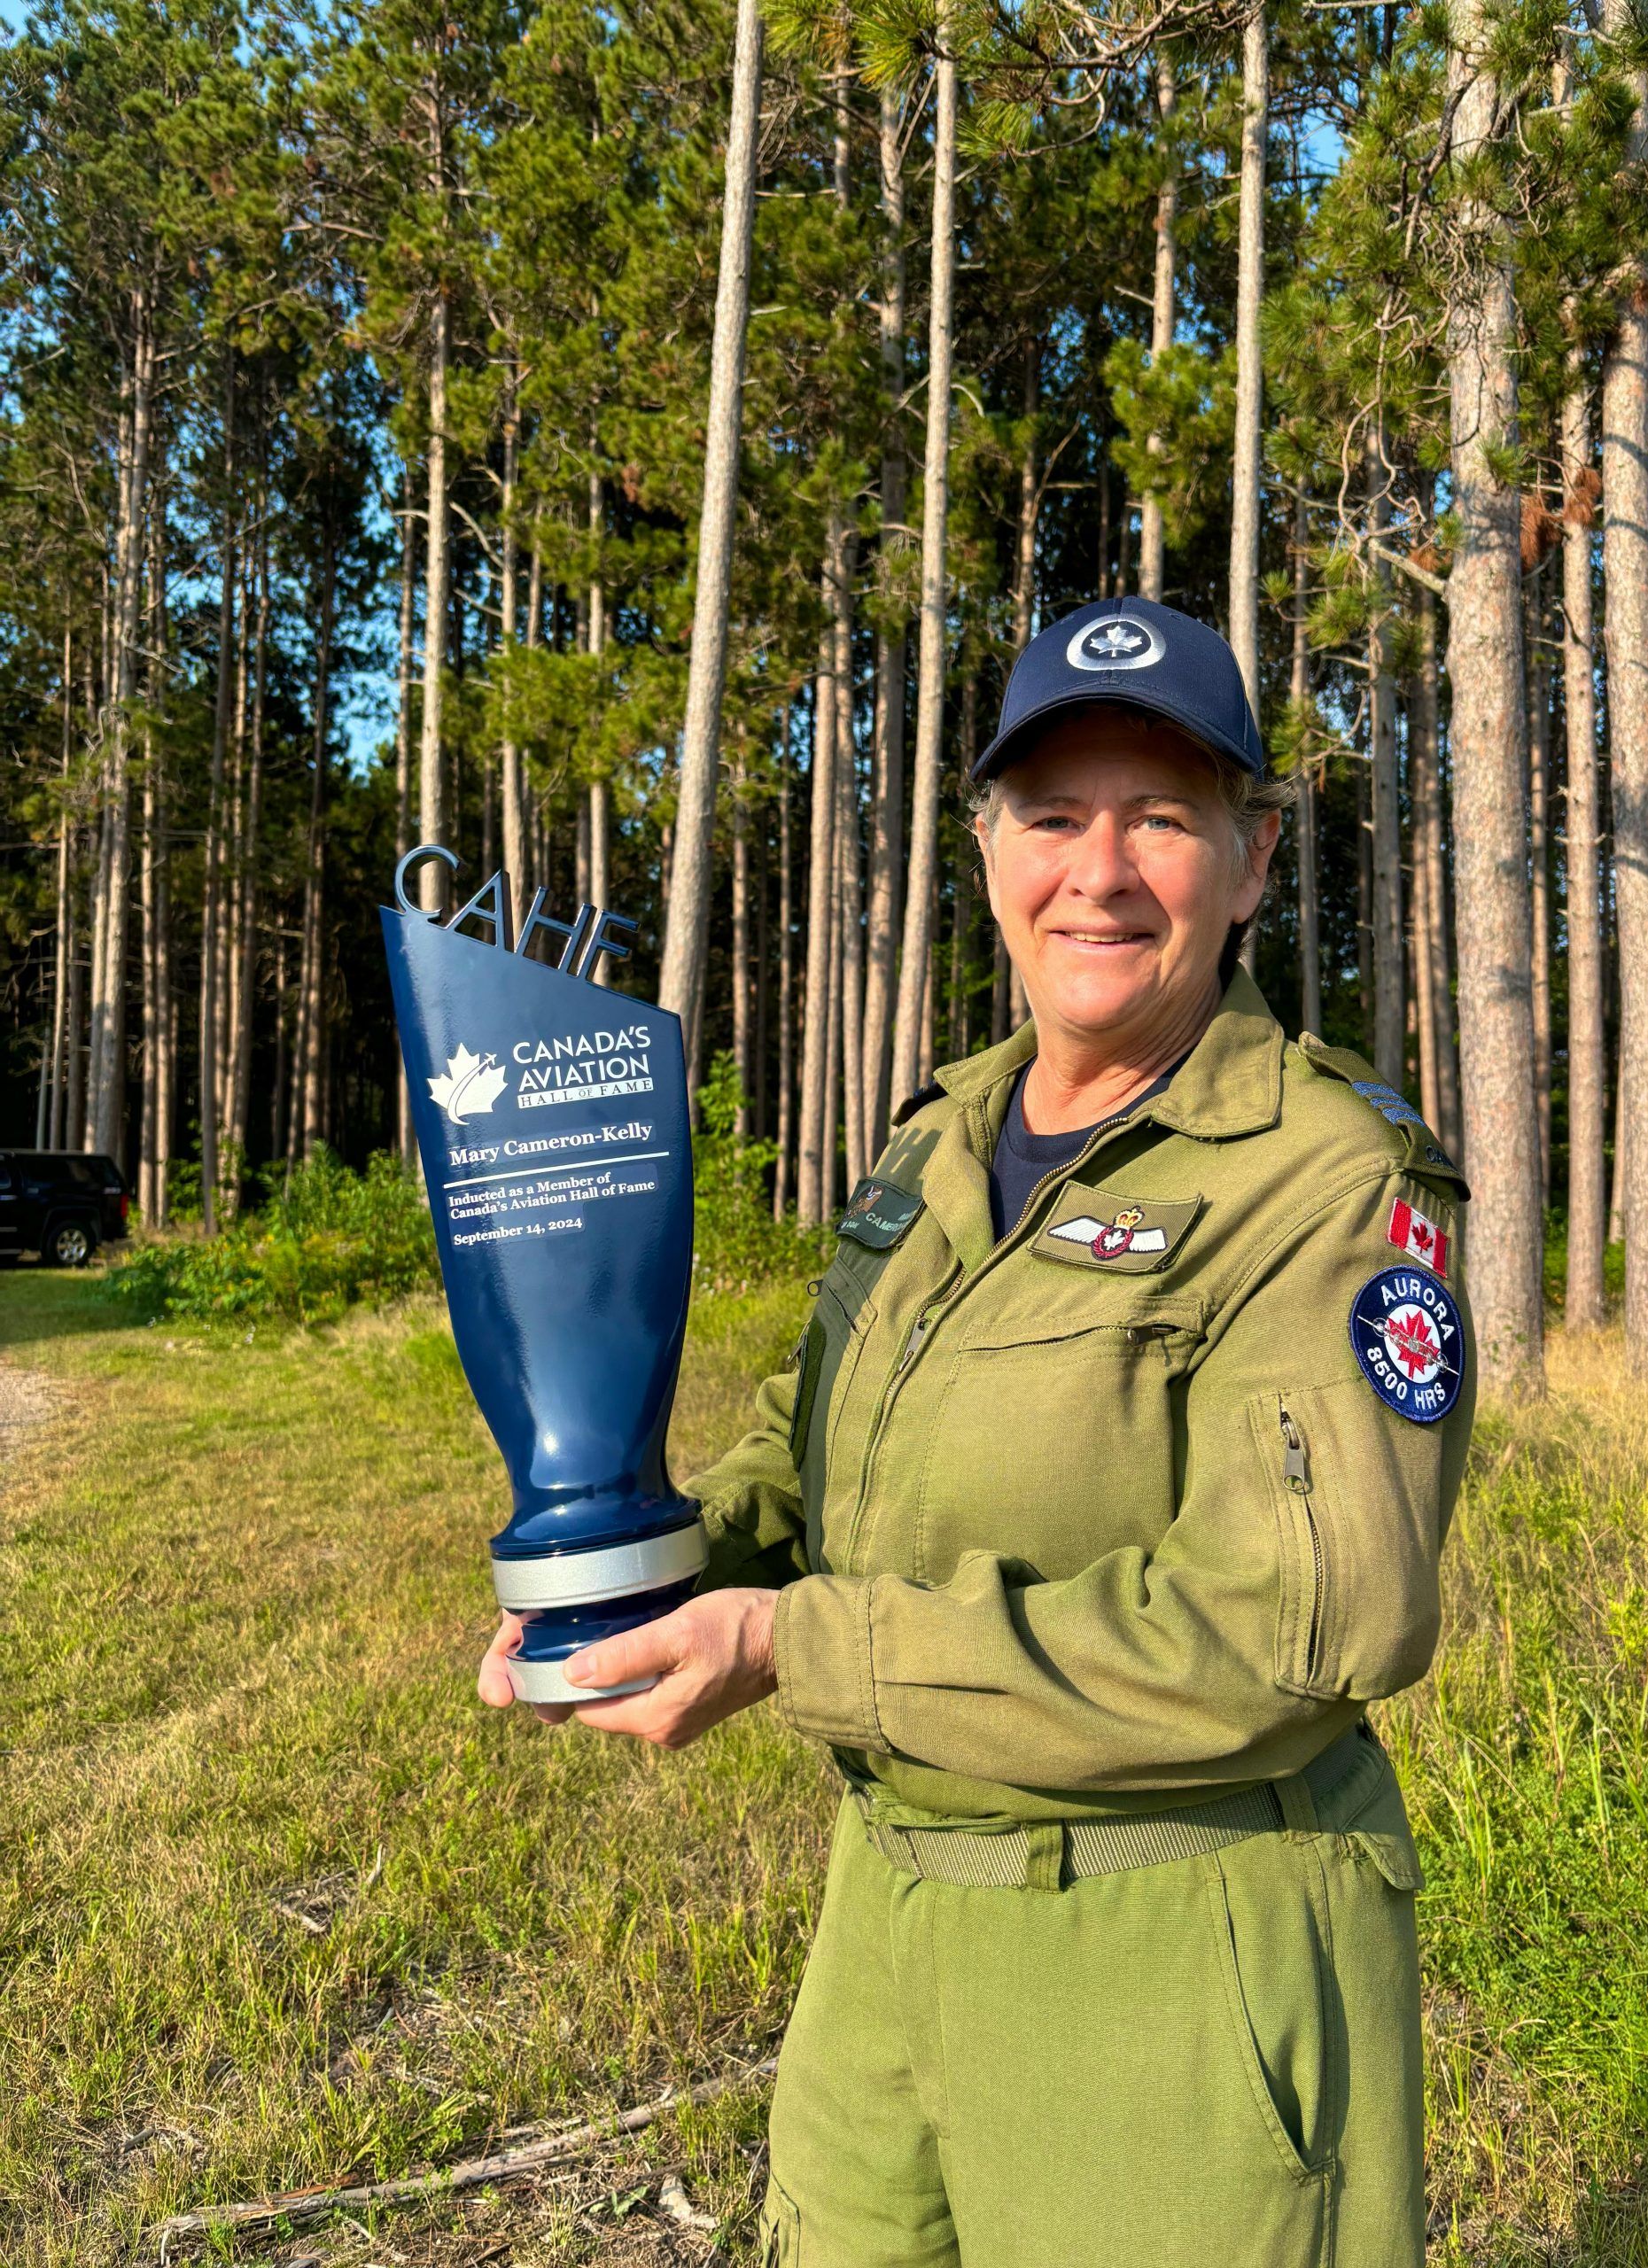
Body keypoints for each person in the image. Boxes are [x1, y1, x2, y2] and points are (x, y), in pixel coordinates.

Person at [480, 595, 1475, 2268]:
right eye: (1052, 815)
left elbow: (1300, 1630)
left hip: (1173, 1963)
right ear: (989, 849)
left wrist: (802, 1646)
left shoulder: (1328, 1182)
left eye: (1162, 815)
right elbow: (813, 1460)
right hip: (893, 1926)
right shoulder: (938, 1142)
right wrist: (633, 1569)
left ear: (1252, 859)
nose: (1101, 871)